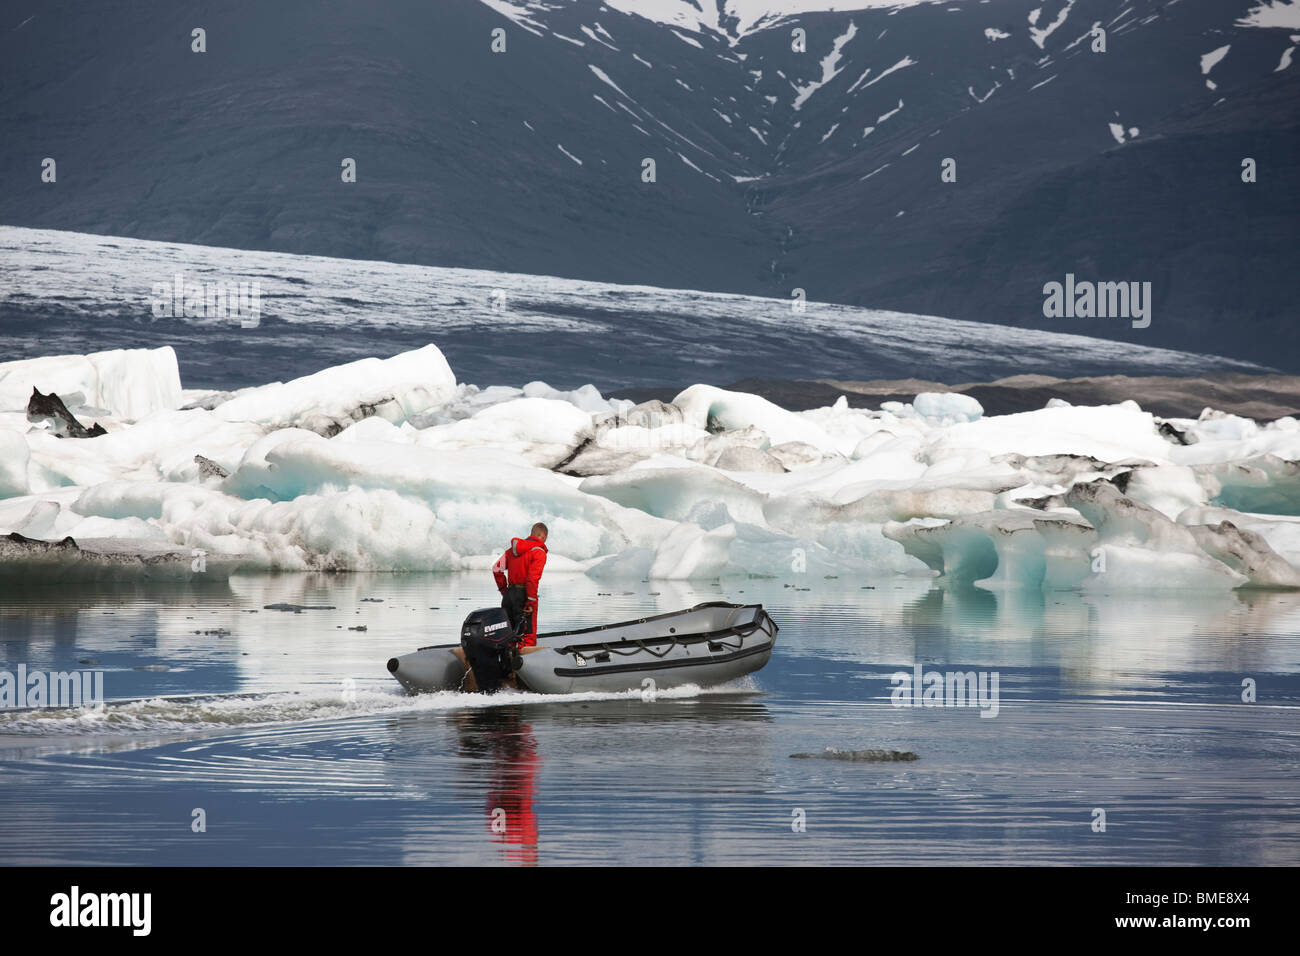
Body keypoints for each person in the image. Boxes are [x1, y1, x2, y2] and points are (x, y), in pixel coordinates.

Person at [492, 522, 548, 647]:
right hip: (524, 595)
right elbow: (532, 579)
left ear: (532, 534)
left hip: (509, 594)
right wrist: (531, 601)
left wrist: (504, 590)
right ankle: (526, 662)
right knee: (527, 634)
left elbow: (496, 569)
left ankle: (506, 661)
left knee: (509, 633)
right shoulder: (539, 552)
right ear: (543, 537)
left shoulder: (511, 551)